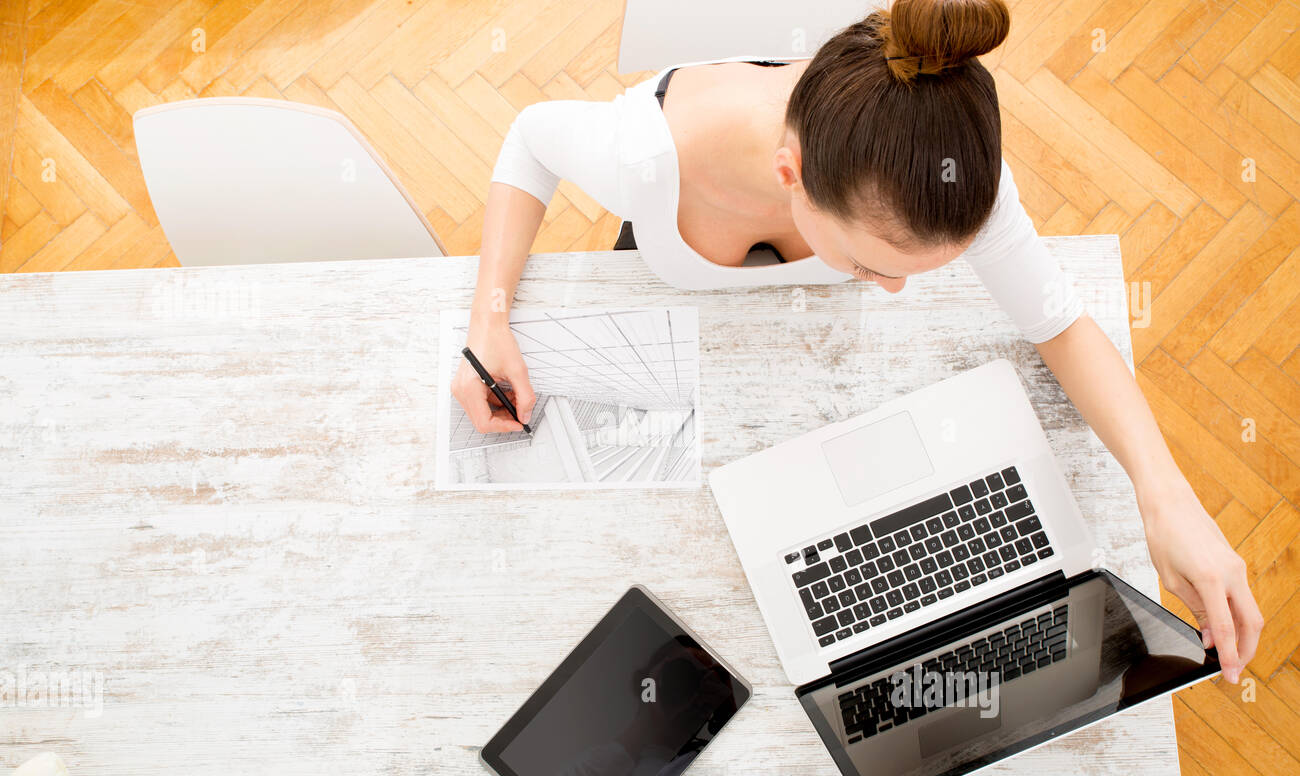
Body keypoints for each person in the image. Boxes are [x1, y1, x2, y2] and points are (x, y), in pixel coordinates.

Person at [452, 0, 1262, 683]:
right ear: (788, 173)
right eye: (874, 267)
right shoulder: (643, 159)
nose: (897, 291)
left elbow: (1057, 320)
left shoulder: (941, 167)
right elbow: (528, 137)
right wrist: (490, 320)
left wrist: (1168, 499)